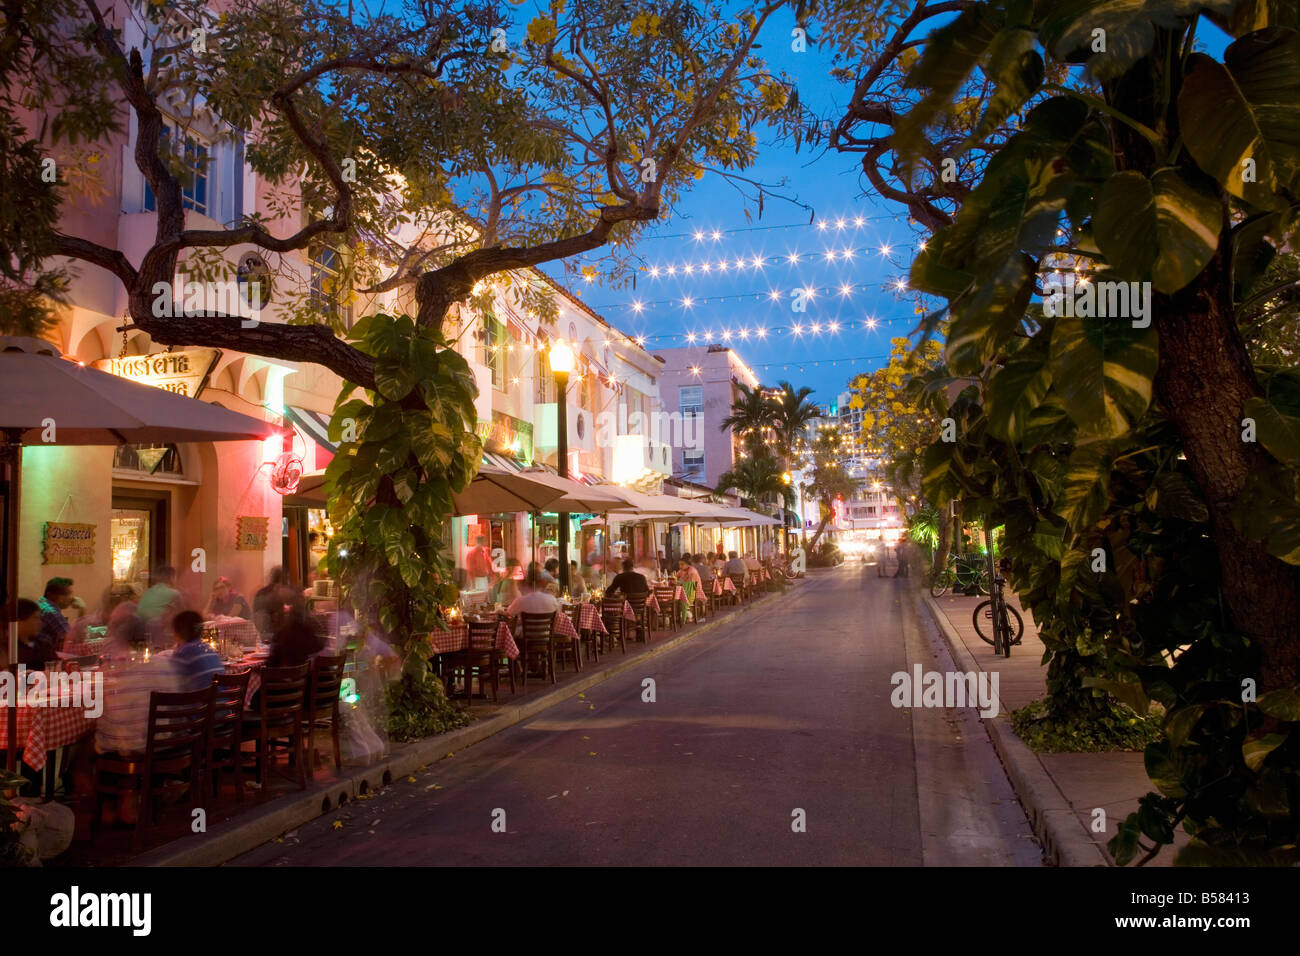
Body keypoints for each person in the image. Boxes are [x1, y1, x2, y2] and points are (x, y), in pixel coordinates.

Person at [170, 609, 225, 691]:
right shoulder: (211, 650)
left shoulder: (183, 653)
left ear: (178, 632)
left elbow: (173, 684)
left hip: (201, 703)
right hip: (224, 701)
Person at [267, 595, 326, 668]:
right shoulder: (307, 629)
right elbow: (319, 646)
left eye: (288, 605)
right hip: (304, 675)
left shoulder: (282, 633)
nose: (285, 607)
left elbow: (272, 662)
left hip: (286, 676)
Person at [36, 577, 75, 658]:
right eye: (66, 594)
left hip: (38, 653)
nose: (71, 598)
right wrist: (82, 611)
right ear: (51, 595)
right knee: (77, 659)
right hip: (41, 657)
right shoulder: (50, 611)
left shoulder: (41, 602)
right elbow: (71, 637)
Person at [136, 566, 182, 631]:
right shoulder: (174, 593)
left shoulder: (148, 591)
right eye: (175, 577)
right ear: (171, 578)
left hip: (140, 629)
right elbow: (183, 612)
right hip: (158, 630)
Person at [254, 566, 292, 638]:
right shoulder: (278, 592)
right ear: (282, 578)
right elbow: (278, 614)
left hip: (263, 631)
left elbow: (256, 614)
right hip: (275, 633)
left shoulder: (261, 592)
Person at [12, 599, 50, 667]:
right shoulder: (9, 649)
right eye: (35, 618)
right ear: (19, 621)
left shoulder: (42, 645)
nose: (40, 623)